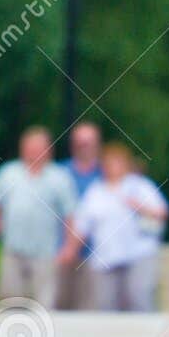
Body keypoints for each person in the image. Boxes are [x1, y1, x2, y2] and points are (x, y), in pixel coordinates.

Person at [0, 127, 79, 309]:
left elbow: (70, 214)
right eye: (30, 147)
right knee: (9, 303)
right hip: (13, 249)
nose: (33, 152)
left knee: (45, 305)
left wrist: (69, 246)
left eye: (38, 148)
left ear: (48, 150)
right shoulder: (8, 172)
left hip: (45, 252)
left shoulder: (60, 177)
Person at [73, 143, 169, 313]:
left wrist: (139, 206)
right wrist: (71, 250)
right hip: (106, 257)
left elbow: (162, 212)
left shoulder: (139, 186)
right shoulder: (96, 191)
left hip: (139, 254)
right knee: (105, 303)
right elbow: (82, 225)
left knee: (139, 298)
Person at [59, 121, 103, 310]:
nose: (83, 148)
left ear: (97, 145)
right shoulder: (60, 173)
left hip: (96, 254)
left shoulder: (106, 174)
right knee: (58, 306)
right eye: (80, 143)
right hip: (60, 252)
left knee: (88, 310)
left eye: (88, 143)